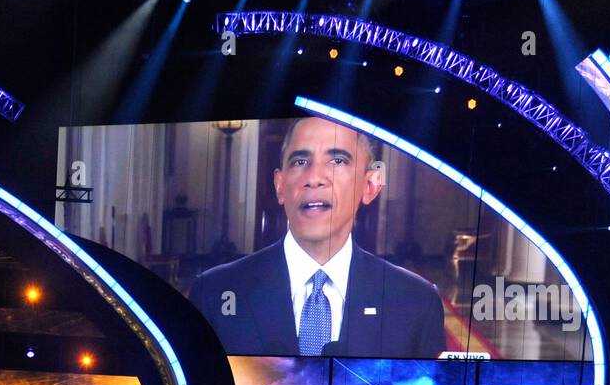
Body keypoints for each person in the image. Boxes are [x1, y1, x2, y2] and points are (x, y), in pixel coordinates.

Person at [188, 116, 446, 358]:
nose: (314, 178)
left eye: (337, 161)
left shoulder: (418, 302)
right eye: (300, 162)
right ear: (280, 186)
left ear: (369, 186)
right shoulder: (214, 292)